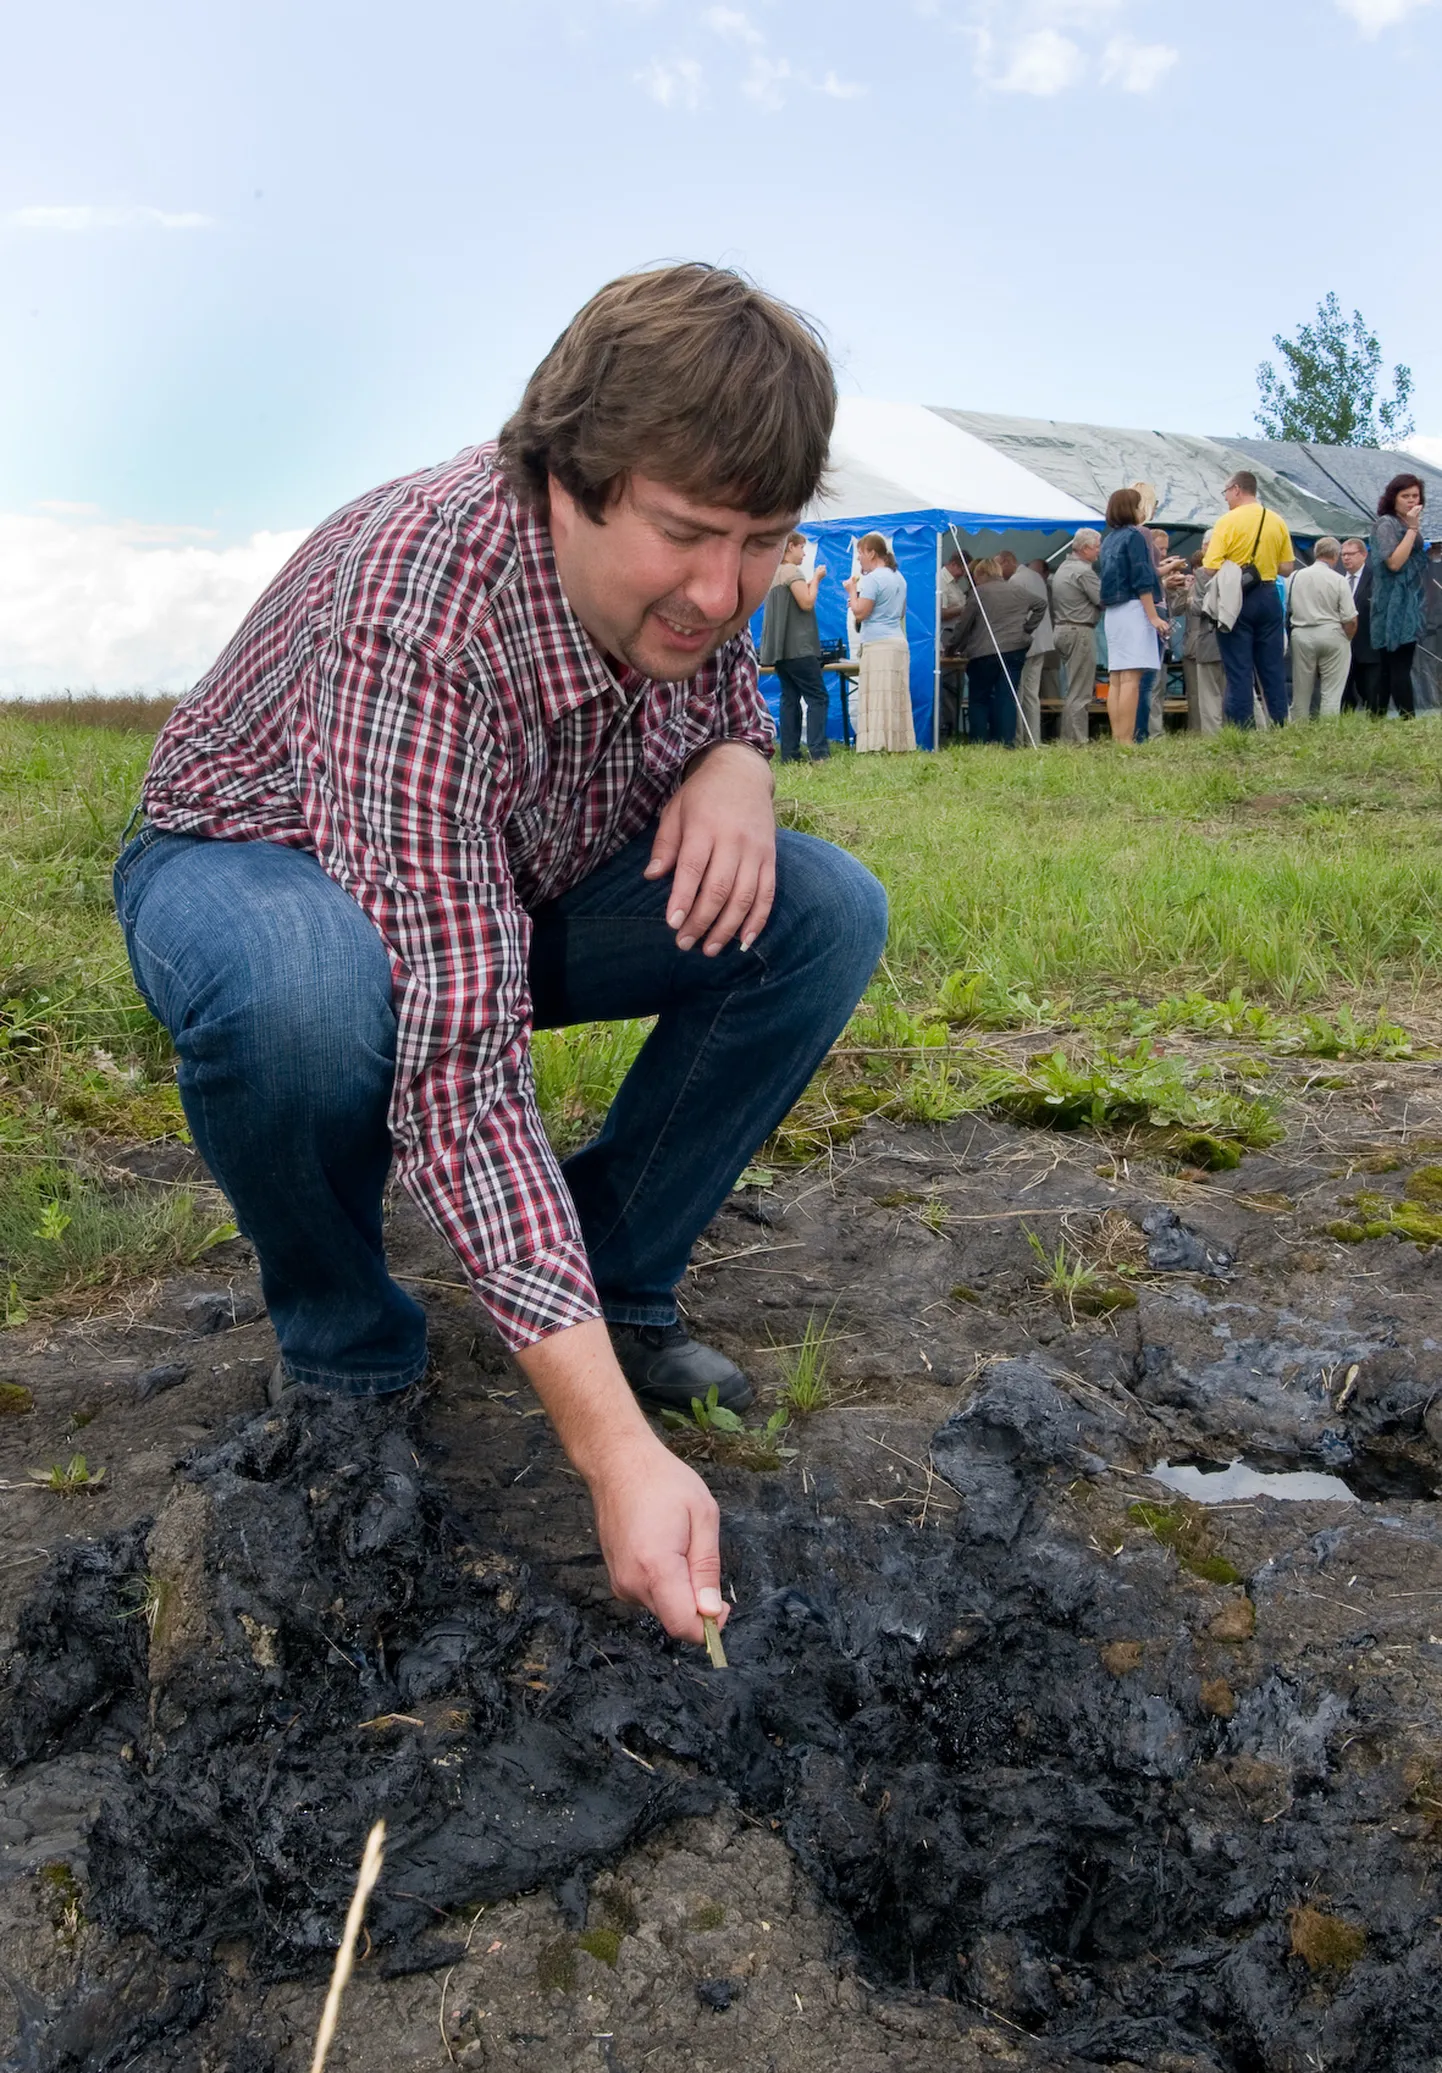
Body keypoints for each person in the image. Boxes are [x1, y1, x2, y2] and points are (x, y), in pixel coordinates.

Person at [116, 263, 889, 1648]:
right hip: (257, 866)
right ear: (569, 476)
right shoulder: (424, 599)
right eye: (686, 534)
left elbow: (715, 670)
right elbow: (458, 1063)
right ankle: (348, 1350)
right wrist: (612, 1457)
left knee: (821, 911)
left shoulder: (697, 585)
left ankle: (608, 1274)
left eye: (763, 540)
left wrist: (734, 756)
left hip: (512, 876)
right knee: (312, 997)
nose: (722, 589)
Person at [1203, 469, 1295, 728]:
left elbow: (1210, 567)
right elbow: (1287, 567)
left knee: (1239, 669)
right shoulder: (1276, 520)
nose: (1225, 498)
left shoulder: (1227, 522)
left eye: (1226, 492)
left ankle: (1242, 730)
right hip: (1268, 595)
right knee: (1272, 668)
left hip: (1236, 598)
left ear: (1236, 489)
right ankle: (1280, 724)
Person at [1098, 487, 1169, 744]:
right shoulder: (1136, 536)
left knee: (1116, 679)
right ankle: (1127, 740)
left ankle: (1119, 739)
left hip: (1113, 613)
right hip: (1133, 609)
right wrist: (1154, 617)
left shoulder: (1108, 539)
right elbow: (1143, 579)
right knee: (1131, 679)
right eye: (1139, 506)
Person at [951, 556, 1043, 746]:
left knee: (979, 698)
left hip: (984, 653)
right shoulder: (1017, 590)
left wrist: (953, 648)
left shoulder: (979, 592)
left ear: (982, 574)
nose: (974, 580)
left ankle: (978, 743)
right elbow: (1041, 604)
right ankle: (1006, 744)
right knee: (1007, 698)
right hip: (1015, 650)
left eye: (975, 576)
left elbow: (963, 626)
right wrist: (1027, 629)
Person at [759, 530, 829, 762]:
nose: (804, 553)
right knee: (818, 697)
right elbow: (807, 602)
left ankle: (789, 753)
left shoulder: (774, 573)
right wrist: (817, 579)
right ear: (790, 547)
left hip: (781, 650)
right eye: (801, 547)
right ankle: (818, 752)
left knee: (790, 698)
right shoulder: (791, 571)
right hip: (799, 648)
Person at [844, 533, 914, 752]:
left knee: (877, 698)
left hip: (878, 643)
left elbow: (861, 612)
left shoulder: (873, 579)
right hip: (897, 642)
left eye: (860, 553)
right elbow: (901, 612)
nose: (858, 559)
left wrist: (852, 593)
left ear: (872, 553)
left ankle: (876, 745)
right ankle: (899, 744)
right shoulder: (899, 578)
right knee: (895, 697)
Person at [1369, 473, 1428, 719]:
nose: (1412, 501)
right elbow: (1394, 562)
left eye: (1415, 496)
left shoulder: (1405, 525)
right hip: (1391, 603)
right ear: (1393, 498)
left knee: (1391, 665)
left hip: (1410, 602)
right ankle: (1408, 719)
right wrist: (1413, 529)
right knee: (1395, 664)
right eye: (1406, 496)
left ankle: (1377, 718)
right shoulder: (1387, 524)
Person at [1286, 538, 1357, 720]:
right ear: (1335, 555)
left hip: (1301, 634)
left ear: (1316, 553)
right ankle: (1328, 733)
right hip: (1332, 633)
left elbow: (1286, 607)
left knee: (1301, 692)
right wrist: (1346, 639)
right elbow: (1350, 618)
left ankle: (1297, 730)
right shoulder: (1339, 580)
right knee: (1331, 693)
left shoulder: (1294, 577)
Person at [1051, 529, 1103, 744]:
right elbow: (1103, 599)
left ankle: (1068, 738)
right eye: (1097, 546)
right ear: (1085, 548)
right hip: (1079, 630)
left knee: (1073, 687)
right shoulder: (1084, 572)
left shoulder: (1064, 567)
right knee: (1081, 690)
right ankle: (1078, 740)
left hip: (1062, 629)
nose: (1099, 550)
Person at [999, 550, 1053, 747]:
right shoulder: (1035, 576)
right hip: (1042, 641)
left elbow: (1015, 615)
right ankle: (1034, 739)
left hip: (1026, 643)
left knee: (1019, 693)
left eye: (999, 566)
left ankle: (1019, 738)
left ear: (1007, 562)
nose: (999, 572)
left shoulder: (1016, 581)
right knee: (1032, 694)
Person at [1182, 543, 1226, 735]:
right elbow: (1175, 608)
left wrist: (1191, 601)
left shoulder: (1205, 578)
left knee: (1210, 693)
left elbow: (1199, 608)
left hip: (1206, 640)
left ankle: (1213, 733)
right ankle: (1198, 730)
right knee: (1197, 694)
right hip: (1197, 645)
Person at [1340, 536, 1379, 714]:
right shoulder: (1338, 580)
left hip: (1369, 646)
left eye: (1351, 554)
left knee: (1371, 693)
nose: (1346, 558)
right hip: (1343, 647)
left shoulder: (1375, 579)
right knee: (1344, 696)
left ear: (1364, 555)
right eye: (1343, 555)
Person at [937, 548, 971, 743]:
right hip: (946, 636)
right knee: (948, 684)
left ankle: (952, 725)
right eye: (963, 571)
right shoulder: (941, 581)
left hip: (956, 636)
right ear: (955, 565)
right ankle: (945, 728)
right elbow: (940, 613)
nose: (964, 576)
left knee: (956, 685)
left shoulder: (955, 584)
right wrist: (965, 609)